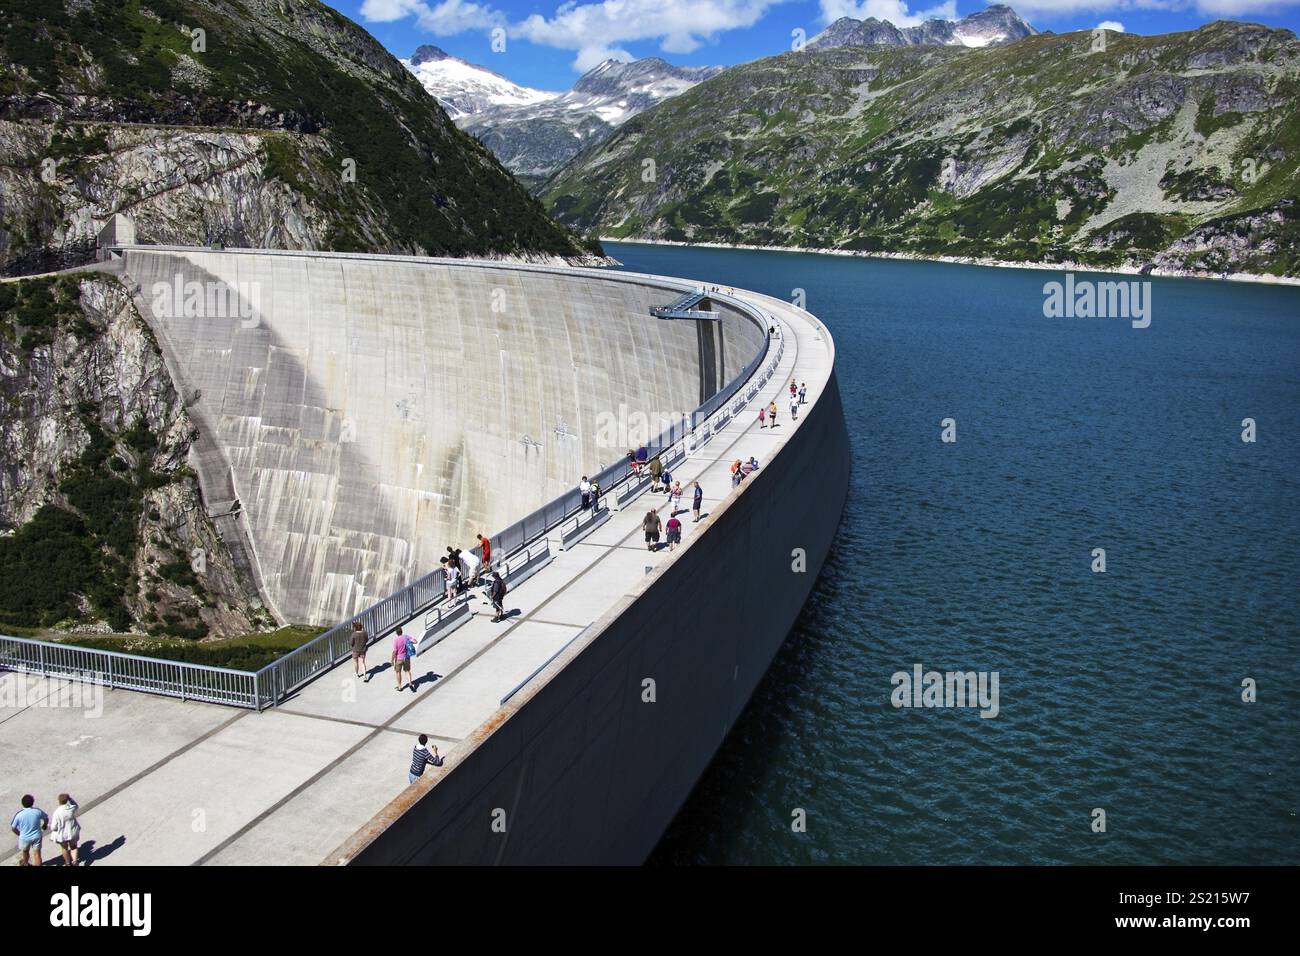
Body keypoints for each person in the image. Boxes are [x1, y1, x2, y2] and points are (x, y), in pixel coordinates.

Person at [10, 795, 47, 867]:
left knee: (25, 852)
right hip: (37, 836)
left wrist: (19, 834)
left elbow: (13, 828)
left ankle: (26, 863)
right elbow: (46, 818)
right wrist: (44, 825)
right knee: (37, 854)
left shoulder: (19, 815)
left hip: (24, 837)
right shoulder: (37, 811)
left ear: (22, 803)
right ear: (32, 803)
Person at [49, 794, 80, 867]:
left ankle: (68, 863)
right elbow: (76, 805)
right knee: (74, 847)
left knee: (64, 848)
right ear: (67, 800)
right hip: (72, 831)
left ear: (59, 801)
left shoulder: (57, 812)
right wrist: (70, 799)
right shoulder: (71, 808)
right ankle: (75, 861)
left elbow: (53, 827)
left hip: (62, 834)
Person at [392, 626, 413, 692]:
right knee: (407, 671)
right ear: (402, 631)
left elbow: (395, 651)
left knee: (398, 672)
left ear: (396, 633)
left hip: (399, 659)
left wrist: (392, 660)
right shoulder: (406, 637)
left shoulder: (396, 640)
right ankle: (410, 683)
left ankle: (400, 687)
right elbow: (415, 641)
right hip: (406, 657)